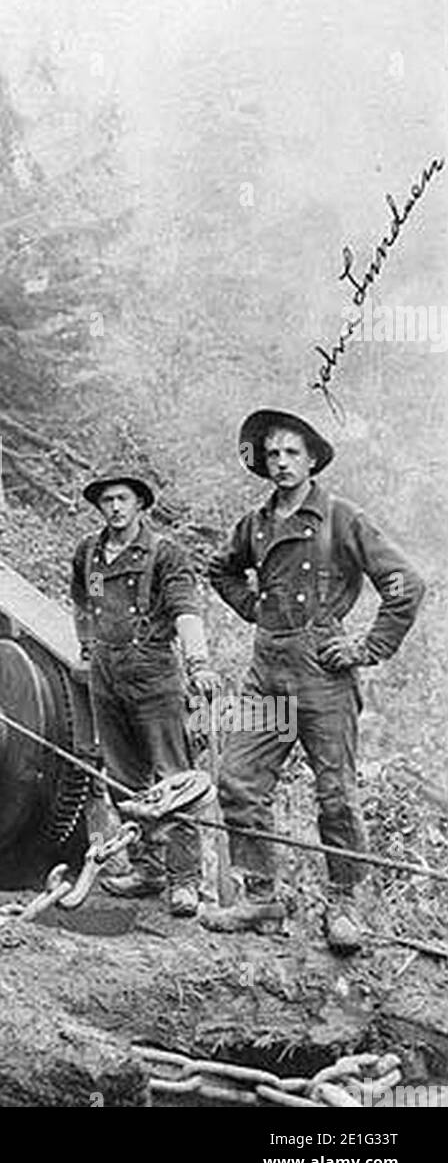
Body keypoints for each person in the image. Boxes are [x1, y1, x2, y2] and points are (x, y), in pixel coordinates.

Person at [203, 408, 425, 952]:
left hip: (322, 678)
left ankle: (344, 906)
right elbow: (221, 569)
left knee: (335, 794)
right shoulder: (255, 523)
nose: (280, 463)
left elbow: (405, 583)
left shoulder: (342, 519)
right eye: (272, 454)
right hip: (268, 675)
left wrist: (366, 647)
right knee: (238, 778)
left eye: (291, 454)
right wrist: (253, 607)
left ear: (311, 460)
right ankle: (260, 898)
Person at [71, 471, 218, 918]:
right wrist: (85, 642)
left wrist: (198, 663)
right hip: (105, 675)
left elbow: (185, 611)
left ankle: (185, 881)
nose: (114, 507)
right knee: (123, 777)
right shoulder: (89, 553)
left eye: (123, 499)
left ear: (140, 505)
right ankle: (147, 868)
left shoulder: (165, 554)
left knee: (175, 780)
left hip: (154, 675)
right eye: (107, 501)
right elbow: (81, 600)